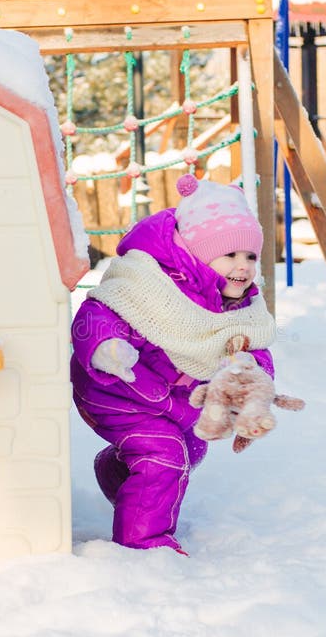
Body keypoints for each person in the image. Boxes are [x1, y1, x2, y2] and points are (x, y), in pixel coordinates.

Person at [71, 173, 277, 554]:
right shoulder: (149, 281)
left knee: (188, 452)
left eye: (250, 256)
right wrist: (106, 347)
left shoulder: (241, 304)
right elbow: (101, 312)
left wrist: (252, 376)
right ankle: (146, 543)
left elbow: (254, 345)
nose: (244, 266)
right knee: (163, 455)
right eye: (230, 254)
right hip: (120, 389)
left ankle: (120, 471)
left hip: (179, 402)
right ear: (197, 252)